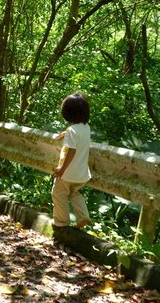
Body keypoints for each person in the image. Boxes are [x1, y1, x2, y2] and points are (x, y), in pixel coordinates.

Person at [52, 93, 92, 229]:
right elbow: (78, 138)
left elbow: (71, 150)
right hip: (81, 175)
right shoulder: (86, 128)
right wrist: (66, 133)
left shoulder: (71, 131)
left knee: (58, 194)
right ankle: (83, 216)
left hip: (68, 174)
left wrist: (61, 169)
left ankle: (61, 222)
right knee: (75, 194)